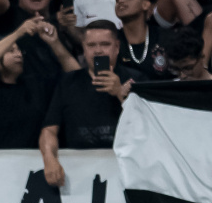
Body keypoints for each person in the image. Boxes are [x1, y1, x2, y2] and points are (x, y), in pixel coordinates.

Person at [41, 20, 145, 161]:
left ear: (117, 47)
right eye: (91, 45)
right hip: (79, 165)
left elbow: (148, 126)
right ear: (84, 49)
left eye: (105, 44)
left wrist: (120, 95)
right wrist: (49, 159)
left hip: (126, 162)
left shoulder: (137, 79)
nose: (98, 50)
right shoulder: (68, 82)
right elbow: (49, 129)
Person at [0, 20, 54, 152]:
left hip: (28, 164)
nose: (19, 54)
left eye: (19, 51)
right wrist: (18, 33)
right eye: (11, 51)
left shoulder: (34, 87)